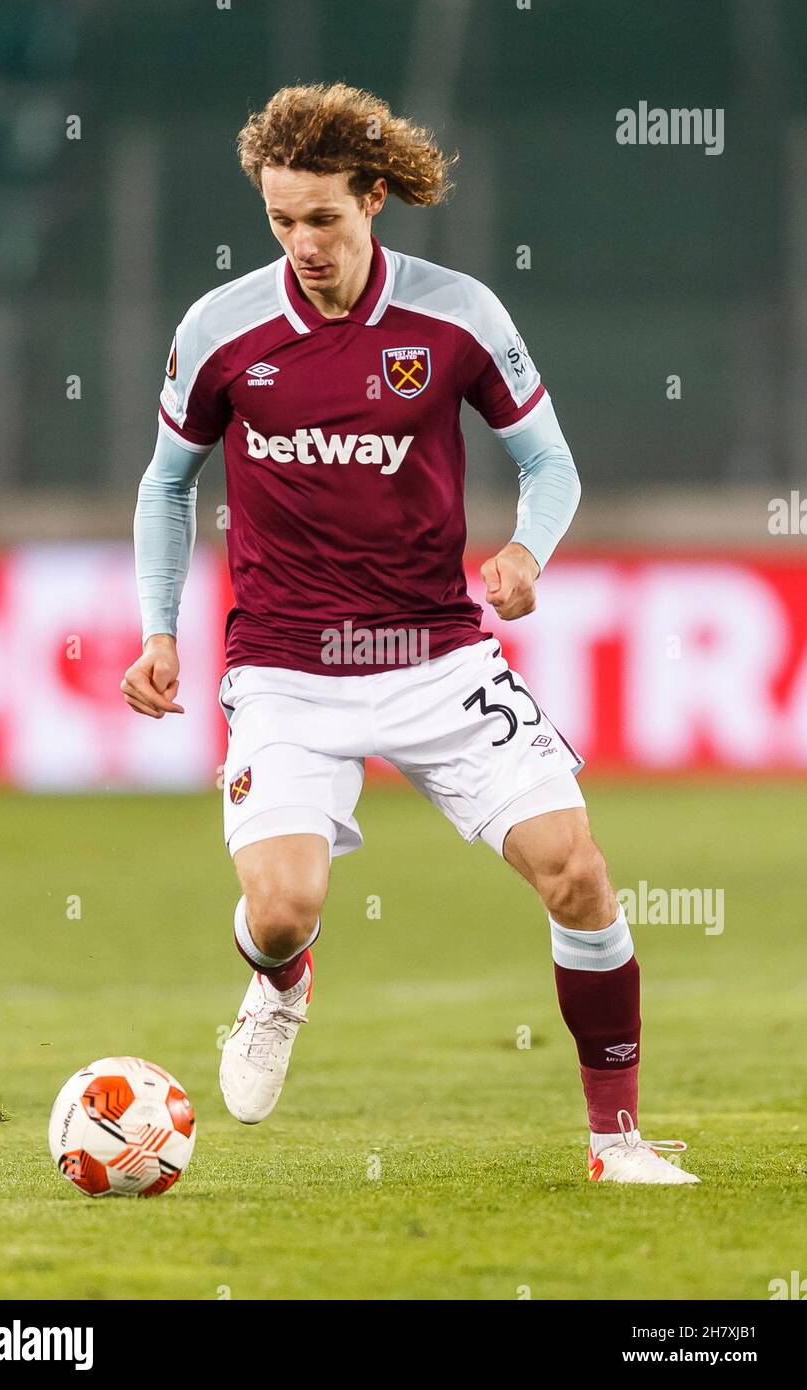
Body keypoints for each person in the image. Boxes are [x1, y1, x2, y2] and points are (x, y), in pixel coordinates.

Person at [122, 82, 698, 1184]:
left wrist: (527, 548)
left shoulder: (458, 315)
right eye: (281, 220)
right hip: (286, 666)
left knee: (576, 871)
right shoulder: (219, 330)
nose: (302, 244)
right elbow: (165, 484)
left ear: (374, 197)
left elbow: (549, 462)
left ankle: (614, 1140)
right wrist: (159, 630)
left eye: (323, 218)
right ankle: (280, 984)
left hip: (437, 655)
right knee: (282, 909)